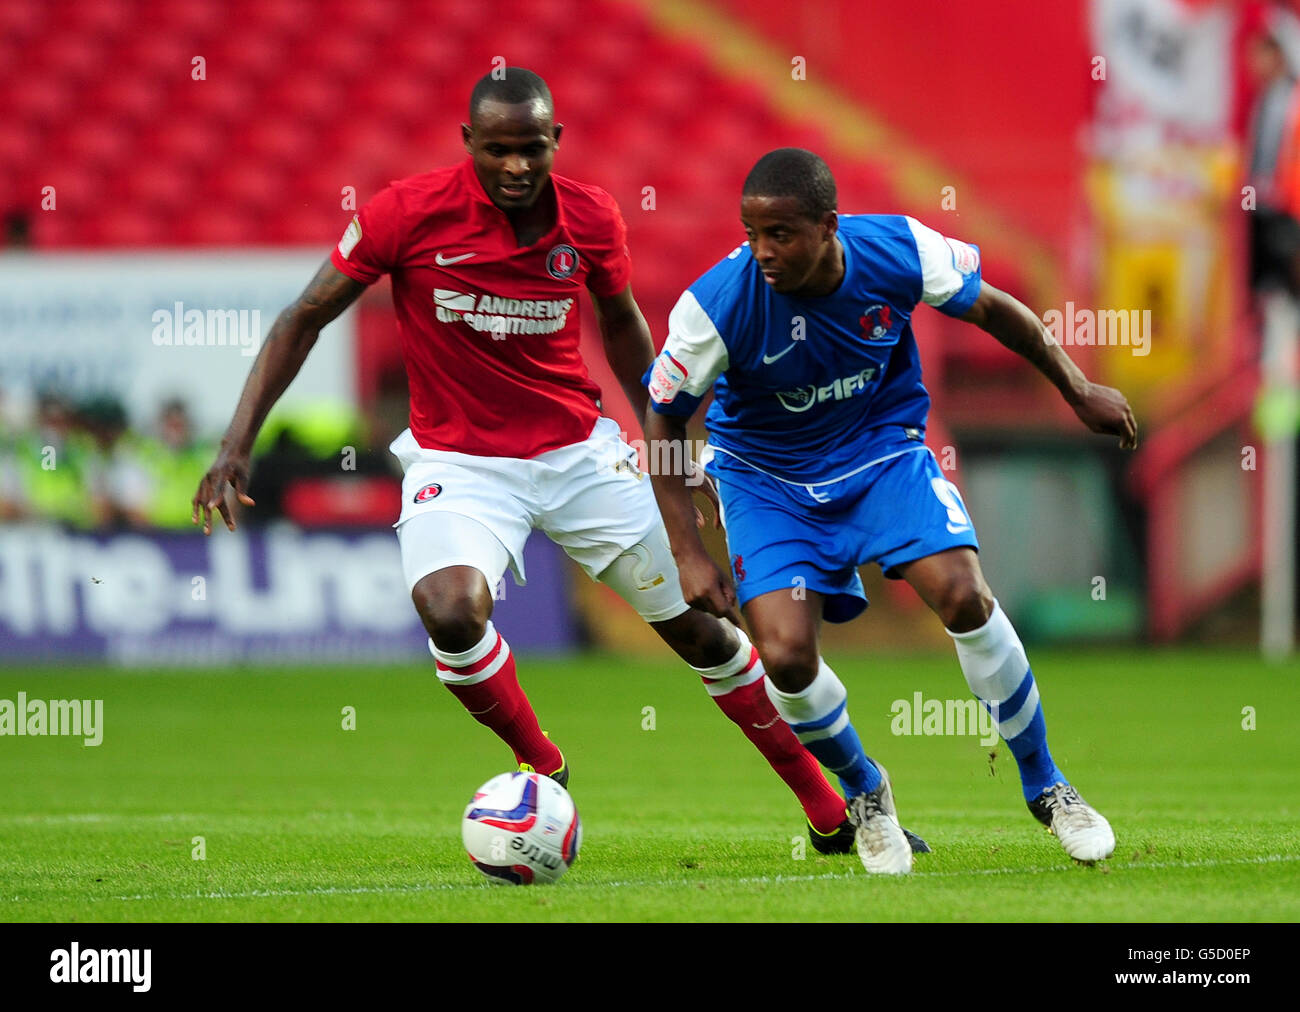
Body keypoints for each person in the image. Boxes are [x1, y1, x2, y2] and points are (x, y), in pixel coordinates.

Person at [193, 71, 900, 855]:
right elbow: (304, 317)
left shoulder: (591, 217)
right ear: (469, 145)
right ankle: (542, 765)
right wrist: (235, 446)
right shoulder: (404, 213)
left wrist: (672, 453)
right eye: (498, 150)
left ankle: (832, 813)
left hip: (580, 453)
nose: (517, 167)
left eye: (532, 149)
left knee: (707, 630)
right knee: (452, 612)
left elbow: (629, 331)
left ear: (555, 142)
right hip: (458, 462)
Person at [644, 147, 1138, 873]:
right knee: (782, 654)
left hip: (881, 455)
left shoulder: (899, 249)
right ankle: (868, 792)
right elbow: (662, 419)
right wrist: (687, 550)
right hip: (766, 480)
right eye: (752, 234)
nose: (763, 252)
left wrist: (1075, 388)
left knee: (965, 594)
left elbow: (996, 309)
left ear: (829, 226)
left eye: (780, 233)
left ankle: (1048, 786)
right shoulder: (716, 306)